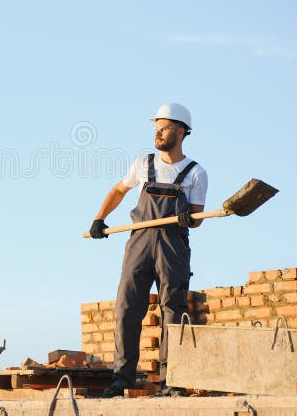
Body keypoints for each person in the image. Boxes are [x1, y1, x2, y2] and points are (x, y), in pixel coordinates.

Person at [89, 103, 208, 398]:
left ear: (181, 131)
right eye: (156, 127)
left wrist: (189, 218)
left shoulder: (196, 173)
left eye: (164, 127)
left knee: (173, 311)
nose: (158, 132)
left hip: (173, 245)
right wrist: (99, 218)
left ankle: (172, 381)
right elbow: (119, 190)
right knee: (126, 308)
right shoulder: (144, 162)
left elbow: (197, 218)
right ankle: (121, 380)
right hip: (139, 242)